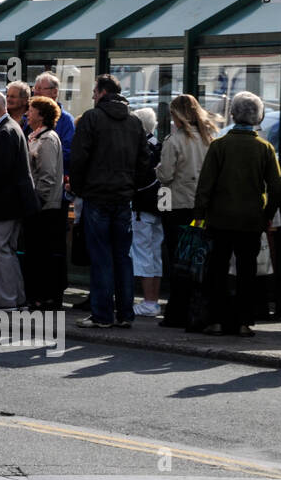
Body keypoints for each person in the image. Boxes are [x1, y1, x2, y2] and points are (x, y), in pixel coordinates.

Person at [194, 91, 281, 337]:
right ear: (258, 116)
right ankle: (243, 322)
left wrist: (200, 214)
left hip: (219, 219)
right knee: (247, 271)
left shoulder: (219, 146)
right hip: (251, 220)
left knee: (217, 271)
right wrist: (267, 214)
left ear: (232, 114)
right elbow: (276, 187)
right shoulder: (265, 148)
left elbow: (205, 184)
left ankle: (217, 321)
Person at [69, 74, 151, 328]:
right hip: (123, 197)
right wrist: (130, 187)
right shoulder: (134, 122)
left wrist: (81, 189)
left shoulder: (92, 119)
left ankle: (102, 315)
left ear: (103, 92)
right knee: (122, 257)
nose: (93, 95)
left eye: (94, 91)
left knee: (101, 256)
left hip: (96, 196)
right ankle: (125, 313)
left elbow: (79, 158)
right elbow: (145, 163)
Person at [156, 94, 216, 328]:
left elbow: (166, 175)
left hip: (177, 205)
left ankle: (177, 311)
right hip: (201, 207)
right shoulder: (208, 137)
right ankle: (197, 310)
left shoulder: (174, 141)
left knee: (178, 260)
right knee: (199, 260)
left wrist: (157, 169)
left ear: (177, 116)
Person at [0, 90, 37, 310]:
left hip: (3, 204)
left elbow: (0, 173)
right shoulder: (11, 128)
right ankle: (16, 298)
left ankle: (6, 300)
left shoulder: (4, 131)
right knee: (7, 251)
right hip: (12, 203)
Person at [23, 95, 66, 310]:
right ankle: (37, 295)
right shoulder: (34, 137)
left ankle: (46, 297)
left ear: (41, 115)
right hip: (37, 206)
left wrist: (36, 203)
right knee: (35, 254)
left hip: (45, 208)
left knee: (43, 255)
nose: (27, 114)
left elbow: (47, 176)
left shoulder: (48, 139)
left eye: (31, 110)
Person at [131, 107, 165, 317]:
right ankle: (153, 299)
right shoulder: (158, 145)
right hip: (158, 207)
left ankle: (149, 301)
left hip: (142, 207)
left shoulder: (139, 146)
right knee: (155, 253)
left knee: (142, 254)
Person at [32, 71, 76, 174]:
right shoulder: (28, 117)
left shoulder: (66, 120)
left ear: (54, 92)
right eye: (35, 88)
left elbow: (68, 153)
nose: (36, 93)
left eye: (40, 89)